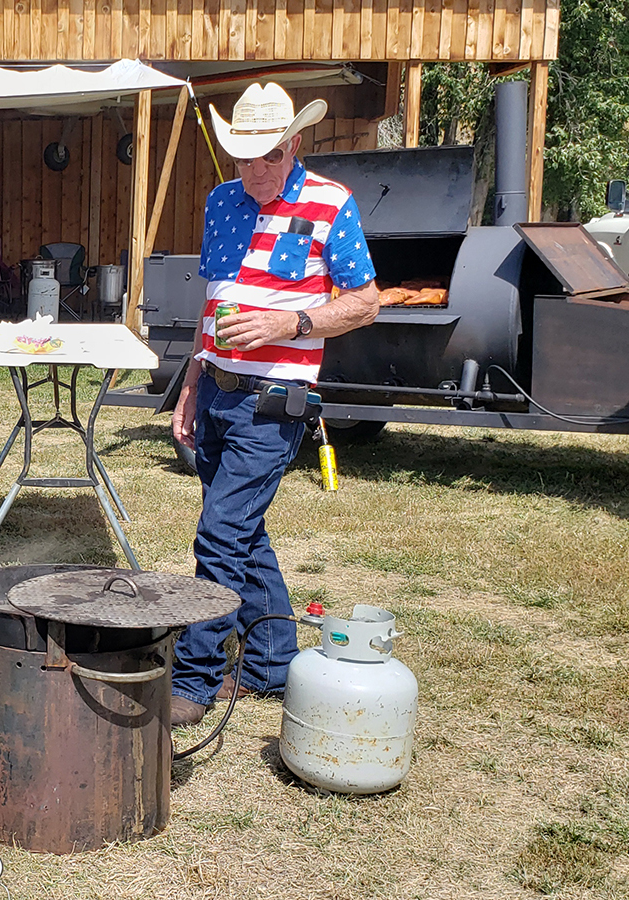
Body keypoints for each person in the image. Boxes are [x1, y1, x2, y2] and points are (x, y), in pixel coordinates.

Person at [168, 83, 381, 727]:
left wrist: (288, 325)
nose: (251, 169)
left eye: (264, 157)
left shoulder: (330, 204)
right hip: (218, 394)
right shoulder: (220, 202)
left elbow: (366, 303)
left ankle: (195, 679)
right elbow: (217, 300)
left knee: (220, 533)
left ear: (291, 146)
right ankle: (269, 662)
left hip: (274, 403)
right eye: (241, 157)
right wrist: (193, 381)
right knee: (243, 532)